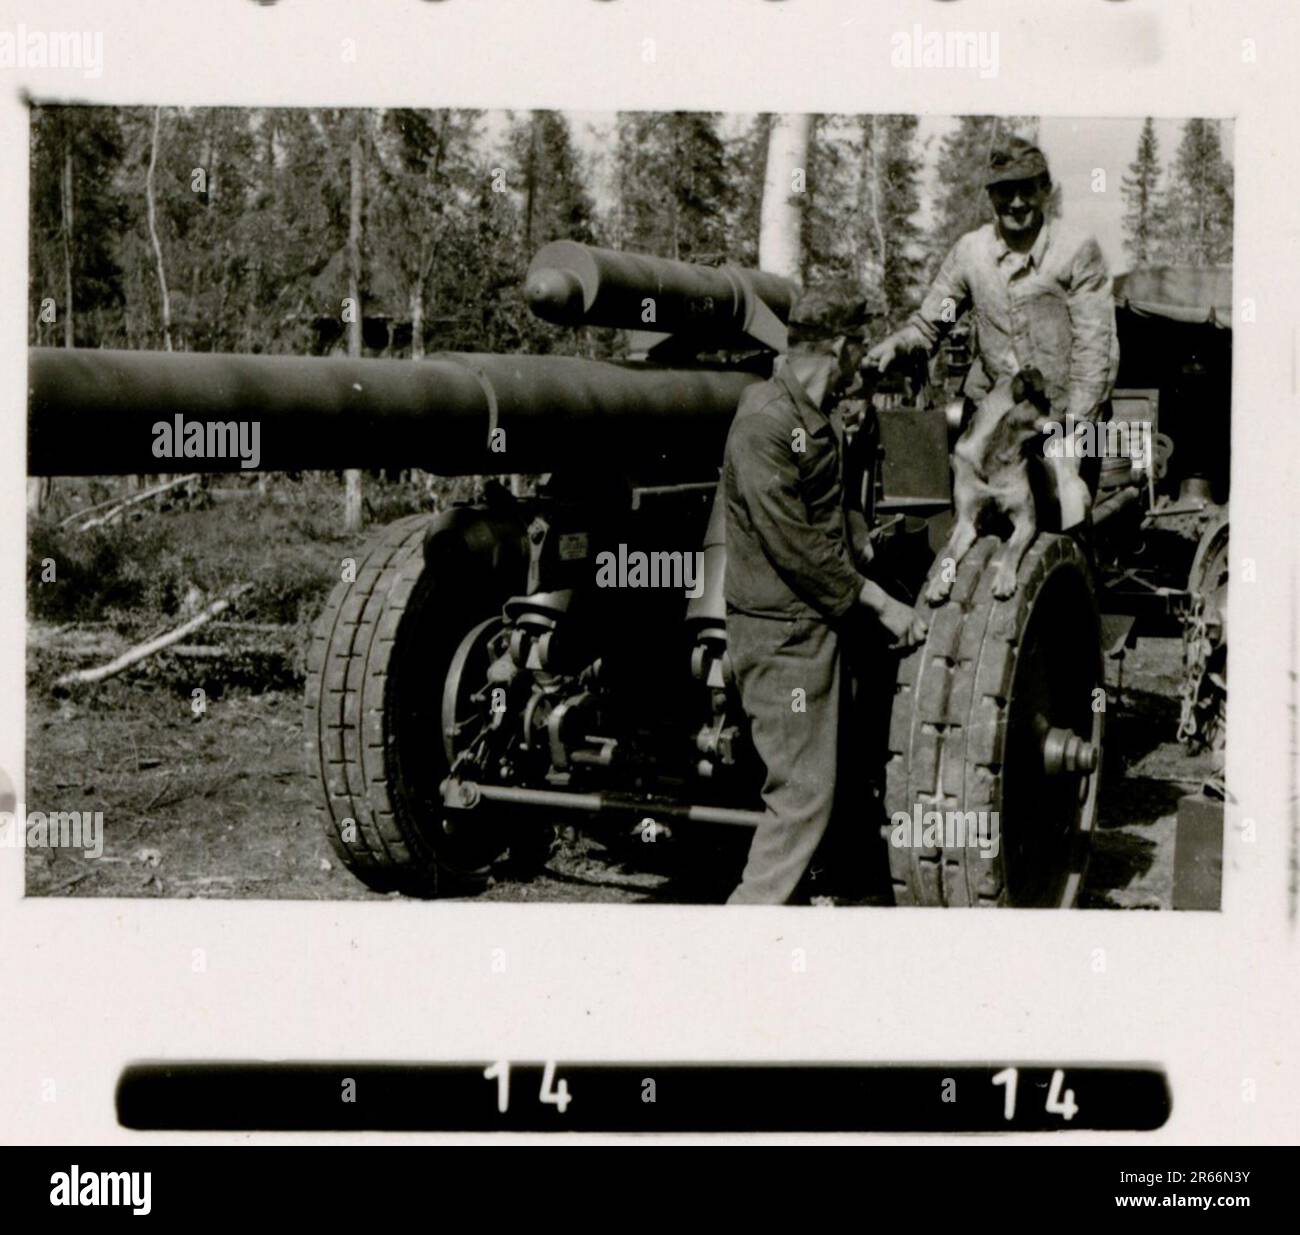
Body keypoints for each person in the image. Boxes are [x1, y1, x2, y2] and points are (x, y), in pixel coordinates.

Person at [722, 296, 927, 906]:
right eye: (861, 347)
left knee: (833, 778)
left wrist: (856, 523)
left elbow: (825, 501)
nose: (865, 361)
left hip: (815, 627)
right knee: (802, 795)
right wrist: (882, 604)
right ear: (839, 348)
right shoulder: (763, 422)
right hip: (781, 637)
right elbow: (794, 545)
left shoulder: (813, 415)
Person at [865, 136, 1119, 525]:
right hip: (993, 418)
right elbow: (936, 318)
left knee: (1061, 525)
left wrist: (1073, 439)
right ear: (990, 195)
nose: (1016, 203)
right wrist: (900, 343)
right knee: (979, 523)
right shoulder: (972, 253)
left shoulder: (1075, 251)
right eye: (1004, 192)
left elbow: (1093, 349)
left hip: (1063, 418)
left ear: (1045, 190)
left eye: (1026, 190)